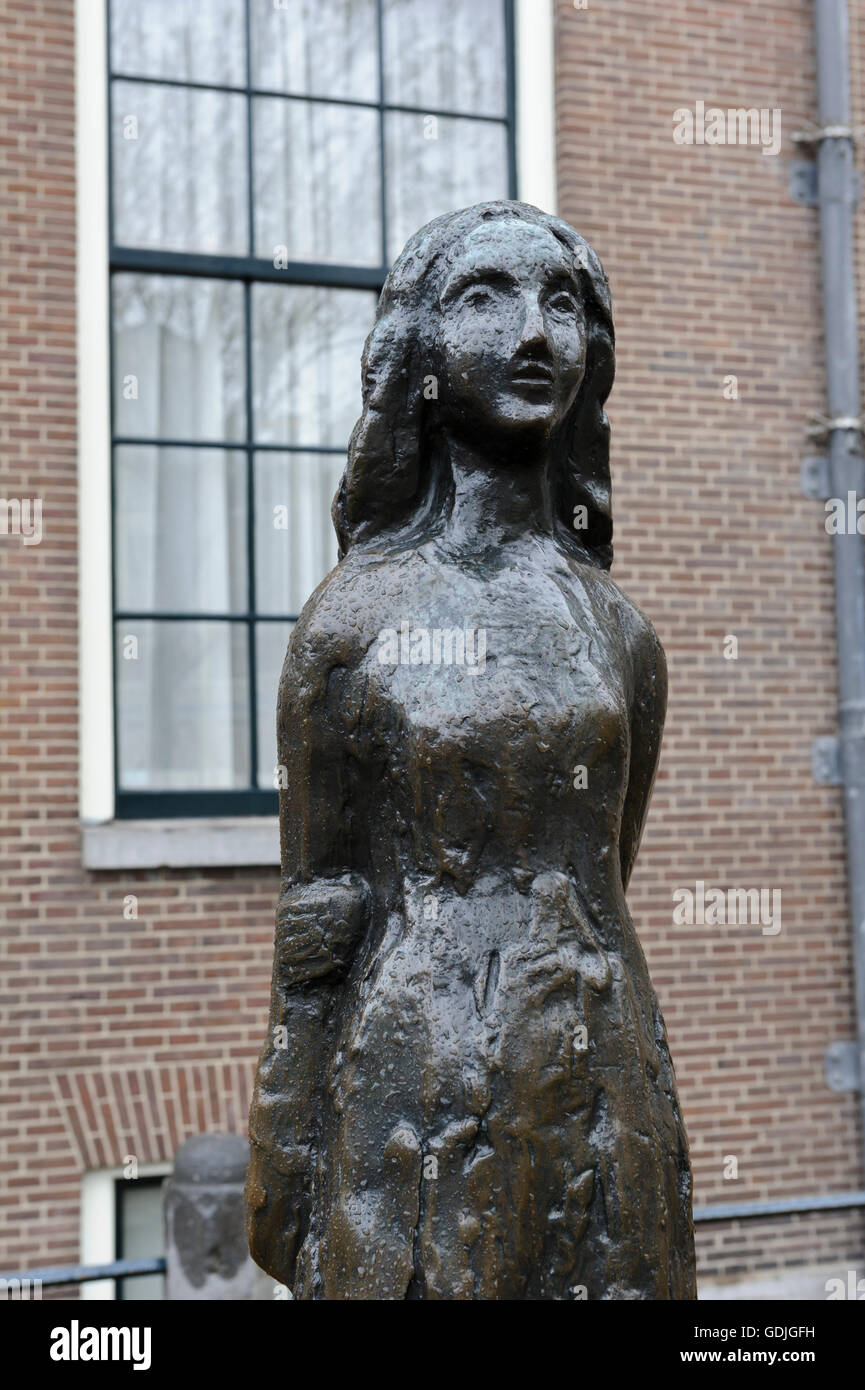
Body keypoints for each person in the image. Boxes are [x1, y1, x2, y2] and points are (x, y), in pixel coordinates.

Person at [246, 200, 696, 1300]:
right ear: (423, 350)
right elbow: (321, 908)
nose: (534, 333)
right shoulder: (351, 625)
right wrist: (288, 1152)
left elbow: (604, 879)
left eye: (560, 304)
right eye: (484, 297)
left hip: (601, 1083)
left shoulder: (619, 633)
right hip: (411, 1087)